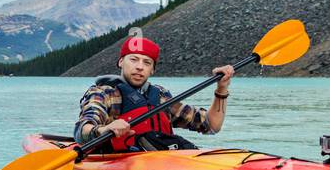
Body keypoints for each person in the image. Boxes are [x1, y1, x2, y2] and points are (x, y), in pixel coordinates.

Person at [74, 35, 234, 152]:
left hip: (158, 163)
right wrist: (103, 129)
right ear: (121, 62)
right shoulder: (103, 93)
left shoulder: (161, 96)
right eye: (133, 59)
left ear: (153, 69)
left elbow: (212, 126)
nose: (139, 67)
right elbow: (82, 130)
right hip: (115, 161)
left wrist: (221, 88)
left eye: (147, 62)